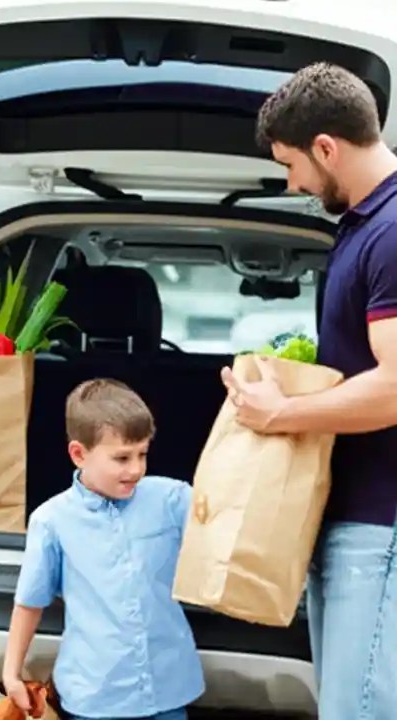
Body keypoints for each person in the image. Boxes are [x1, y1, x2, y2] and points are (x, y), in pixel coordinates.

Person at [223, 61, 397, 719]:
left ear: (327, 147)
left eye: (291, 164)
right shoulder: (363, 224)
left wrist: (283, 414)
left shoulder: (391, 231)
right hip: (352, 518)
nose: (291, 182)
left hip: (381, 526)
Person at [1, 379, 203, 720]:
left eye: (143, 454)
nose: (136, 469)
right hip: (95, 697)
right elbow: (29, 603)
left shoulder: (170, 500)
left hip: (166, 691)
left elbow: (223, 522)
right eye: (122, 458)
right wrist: (11, 673)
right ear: (79, 454)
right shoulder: (52, 521)